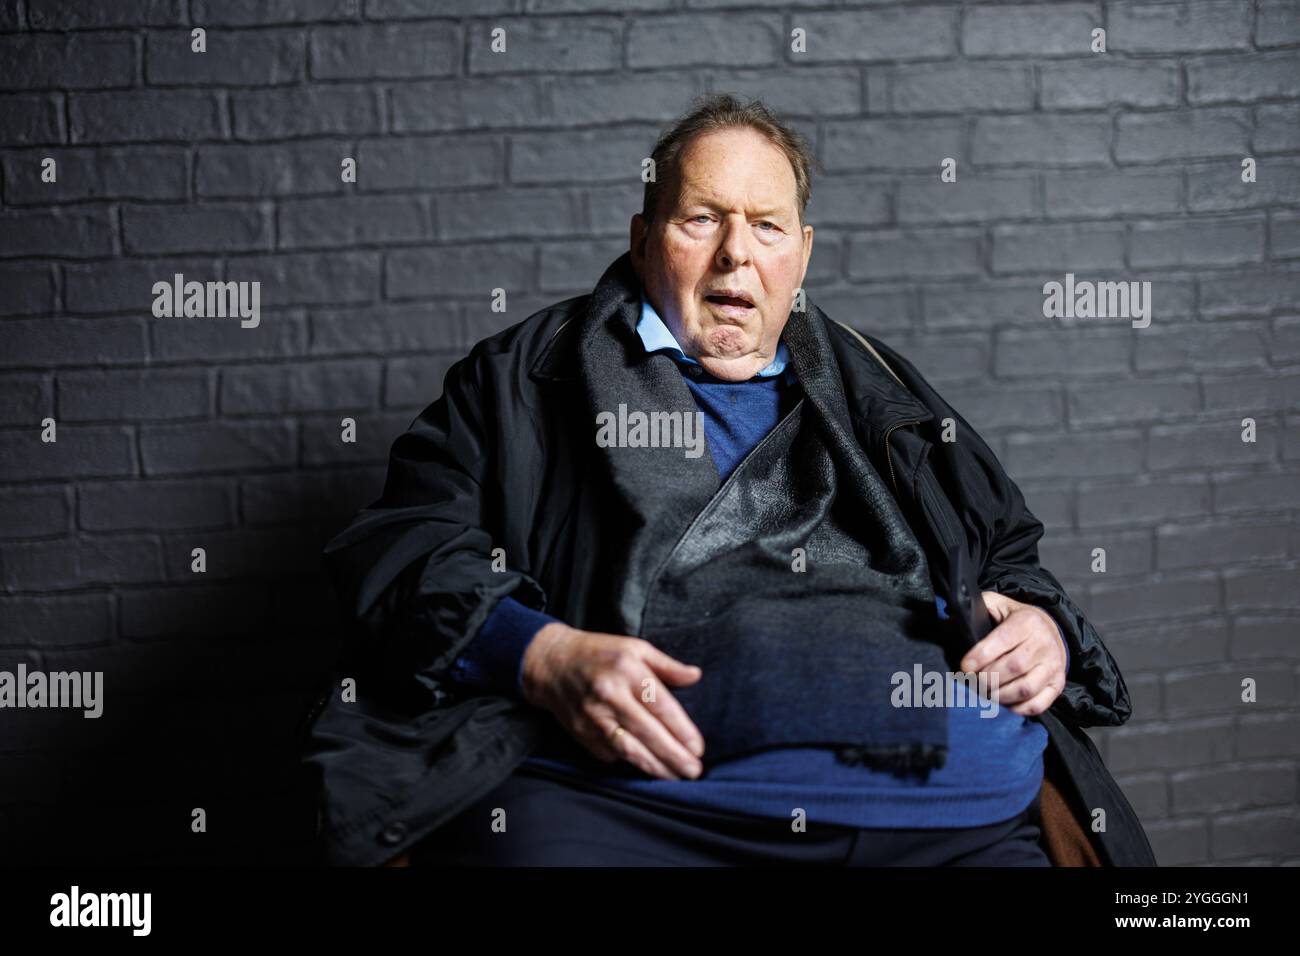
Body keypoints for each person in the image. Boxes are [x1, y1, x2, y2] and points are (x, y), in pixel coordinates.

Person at [304, 93, 1154, 868]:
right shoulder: (524, 381)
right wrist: (538, 653)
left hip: (955, 816)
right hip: (650, 810)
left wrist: (1043, 628)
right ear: (642, 241)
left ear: (803, 254)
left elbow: (1007, 556)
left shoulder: (881, 388)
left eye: (767, 226)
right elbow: (403, 544)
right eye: (702, 218)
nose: (735, 255)